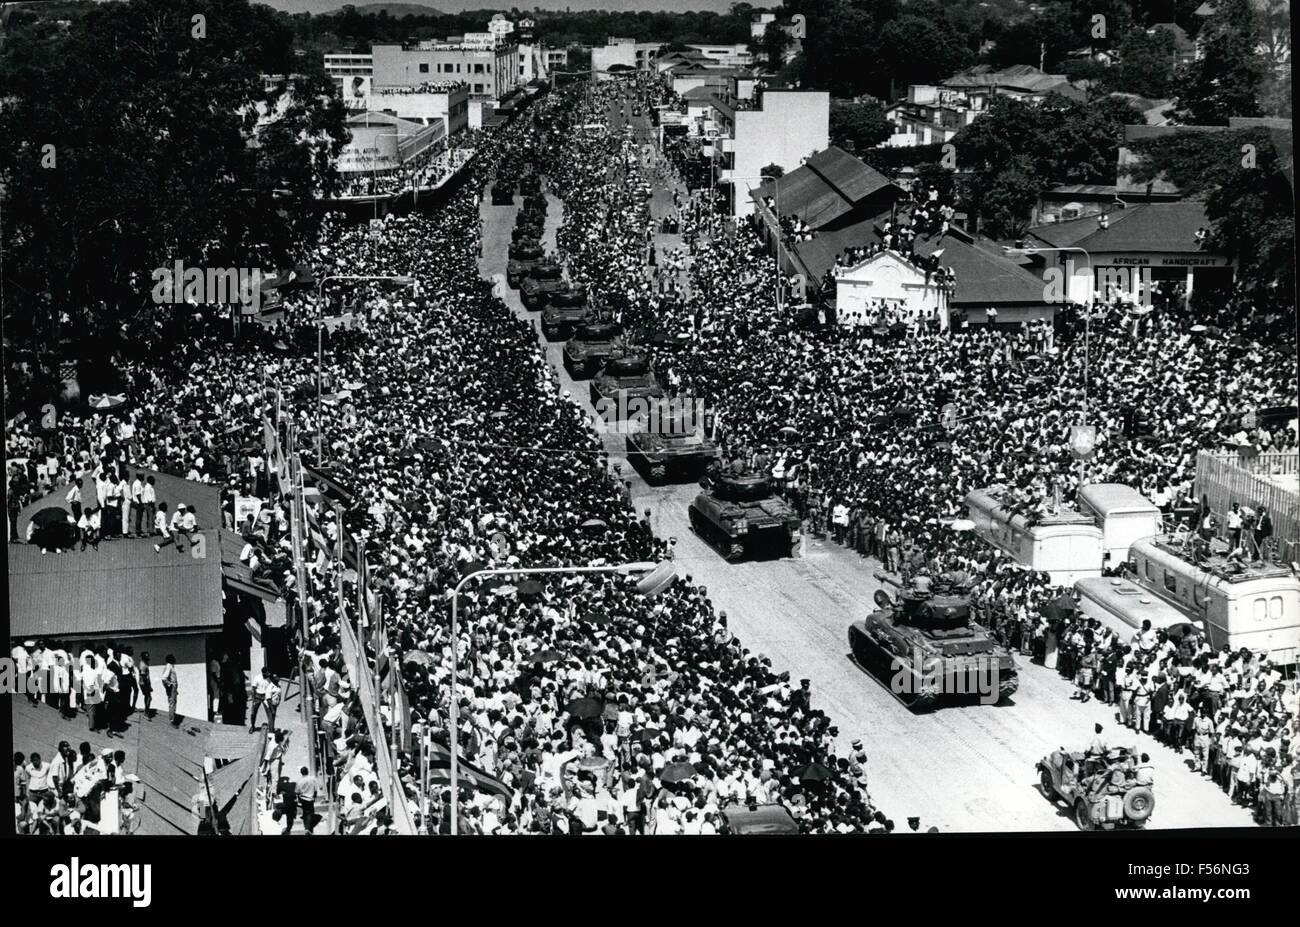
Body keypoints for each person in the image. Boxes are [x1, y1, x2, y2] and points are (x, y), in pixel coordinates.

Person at [162, 654, 179, 724]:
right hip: (172, 687)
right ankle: (172, 720)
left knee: (173, 702)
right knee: (172, 703)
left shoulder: (170, 666)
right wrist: (170, 685)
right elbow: (164, 678)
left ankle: (173, 718)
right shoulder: (169, 667)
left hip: (173, 688)